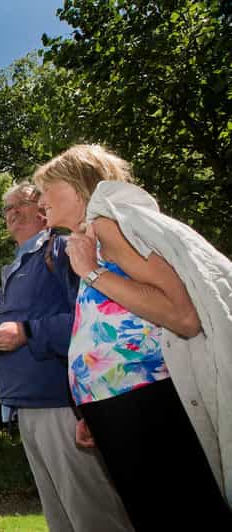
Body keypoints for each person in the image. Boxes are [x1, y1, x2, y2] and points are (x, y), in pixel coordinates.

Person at [34, 144, 232, 530]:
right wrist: (89, 403)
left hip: (144, 403)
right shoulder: (93, 237)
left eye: (47, 188)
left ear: (77, 188)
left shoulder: (109, 226)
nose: (41, 199)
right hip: (116, 404)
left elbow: (183, 315)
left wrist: (90, 272)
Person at [0, 182, 132, 532]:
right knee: (60, 519)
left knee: (92, 515)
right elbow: (19, 328)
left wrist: (26, 331)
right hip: (24, 406)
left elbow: (90, 319)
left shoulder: (62, 251)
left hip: (59, 401)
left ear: (43, 209)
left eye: (20, 204)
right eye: (6, 208)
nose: (11, 212)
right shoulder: (14, 267)